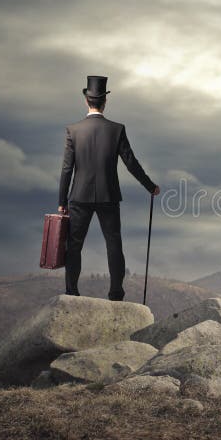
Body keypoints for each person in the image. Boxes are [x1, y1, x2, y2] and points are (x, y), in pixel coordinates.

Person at [57, 75, 159, 300]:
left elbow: (66, 170)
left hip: (79, 196)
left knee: (74, 246)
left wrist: (62, 203)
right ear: (105, 102)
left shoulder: (73, 131)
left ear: (86, 101)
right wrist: (150, 187)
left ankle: (71, 292)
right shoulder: (117, 129)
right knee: (114, 244)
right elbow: (131, 163)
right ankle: (115, 293)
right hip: (108, 195)